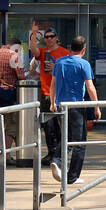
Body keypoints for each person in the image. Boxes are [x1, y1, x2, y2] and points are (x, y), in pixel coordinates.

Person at [48, 35, 100, 187]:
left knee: (66, 137)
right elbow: (90, 87)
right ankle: (72, 176)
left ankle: (56, 160)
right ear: (84, 49)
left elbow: (53, 85)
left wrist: (52, 103)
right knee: (79, 142)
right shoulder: (84, 64)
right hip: (76, 106)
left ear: (70, 48)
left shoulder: (59, 62)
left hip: (60, 105)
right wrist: (96, 106)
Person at [34, 29, 70, 166]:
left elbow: (68, 71)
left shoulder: (65, 53)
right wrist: (33, 36)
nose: (49, 39)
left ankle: (61, 154)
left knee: (60, 125)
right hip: (46, 93)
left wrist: (56, 67)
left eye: (51, 36)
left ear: (56, 38)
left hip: (60, 94)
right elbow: (34, 50)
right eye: (46, 37)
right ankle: (51, 152)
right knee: (48, 126)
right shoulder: (43, 52)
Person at [0, 35, 26, 162]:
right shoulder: (14, 56)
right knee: (11, 125)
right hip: (9, 94)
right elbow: (21, 76)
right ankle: (7, 156)